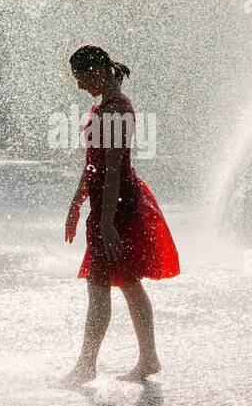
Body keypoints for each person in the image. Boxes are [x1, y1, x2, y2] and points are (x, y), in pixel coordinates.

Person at [61, 44, 179, 385]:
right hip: (110, 204)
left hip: (116, 206)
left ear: (96, 71)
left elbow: (112, 169)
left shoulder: (116, 110)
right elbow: (93, 164)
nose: (80, 86)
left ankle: (87, 366)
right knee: (127, 281)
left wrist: (108, 221)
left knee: (102, 285)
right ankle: (149, 358)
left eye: (81, 78)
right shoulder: (107, 107)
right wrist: (76, 203)